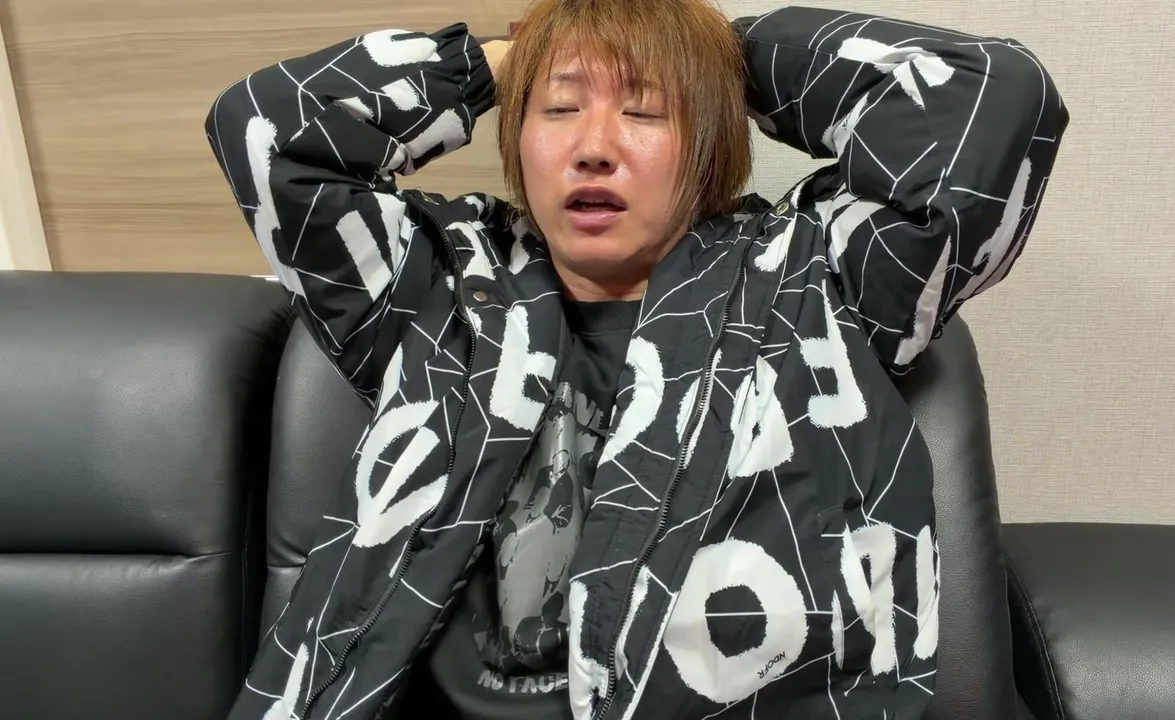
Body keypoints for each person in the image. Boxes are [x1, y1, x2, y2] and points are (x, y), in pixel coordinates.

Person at [205, 1, 1067, 718]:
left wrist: (711, 56)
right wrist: (502, 62)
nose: (594, 145)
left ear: (708, 144)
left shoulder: (822, 278)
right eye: (558, 108)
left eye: (645, 111)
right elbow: (265, 127)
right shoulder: (437, 282)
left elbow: (993, 94)